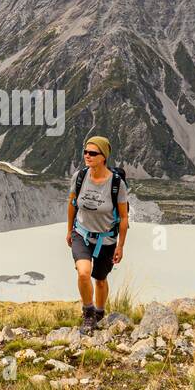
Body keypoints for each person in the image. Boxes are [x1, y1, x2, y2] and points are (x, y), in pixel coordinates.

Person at [66, 135, 129, 333]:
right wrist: (69, 230)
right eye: (85, 152)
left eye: (92, 153)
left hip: (106, 239)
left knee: (100, 280)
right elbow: (72, 203)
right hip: (82, 234)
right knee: (84, 273)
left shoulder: (116, 184)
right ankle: (88, 313)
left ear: (104, 157)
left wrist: (120, 245)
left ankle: (100, 313)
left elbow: (124, 217)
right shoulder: (80, 177)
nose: (87, 156)